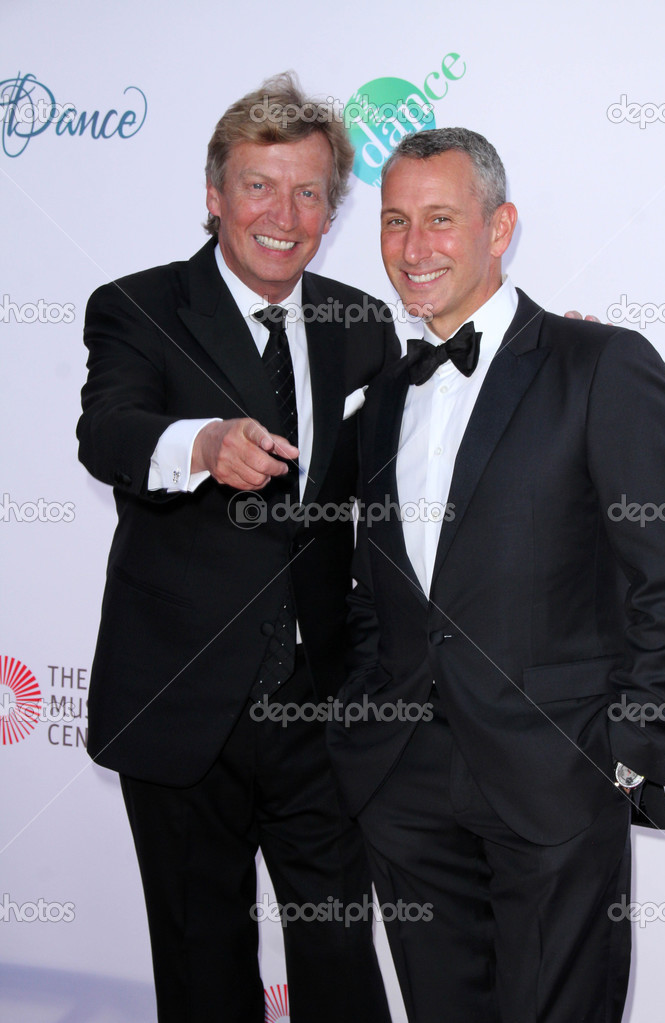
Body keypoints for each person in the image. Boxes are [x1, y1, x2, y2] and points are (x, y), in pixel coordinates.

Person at [327, 127, 665, 1023]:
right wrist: (366, 715)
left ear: (501, 227)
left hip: (558, 776)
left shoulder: (600, 364)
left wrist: (634, 749)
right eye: (396, 221)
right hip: (406, 784)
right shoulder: (378, 405)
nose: (414, 248)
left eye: (441, 219)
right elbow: (378, 588)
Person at [77, 73, 397, 1023]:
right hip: (181, 709)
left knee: (341, 966)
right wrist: (204, 444)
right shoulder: (135, 307)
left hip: (318, 713)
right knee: (202, 965)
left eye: (308, 192)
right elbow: (110, 432)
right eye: (259, 186)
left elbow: (409, 450)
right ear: (214, 194)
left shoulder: (360, 323)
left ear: (331, 209)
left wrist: (554, 358)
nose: (283, 214)